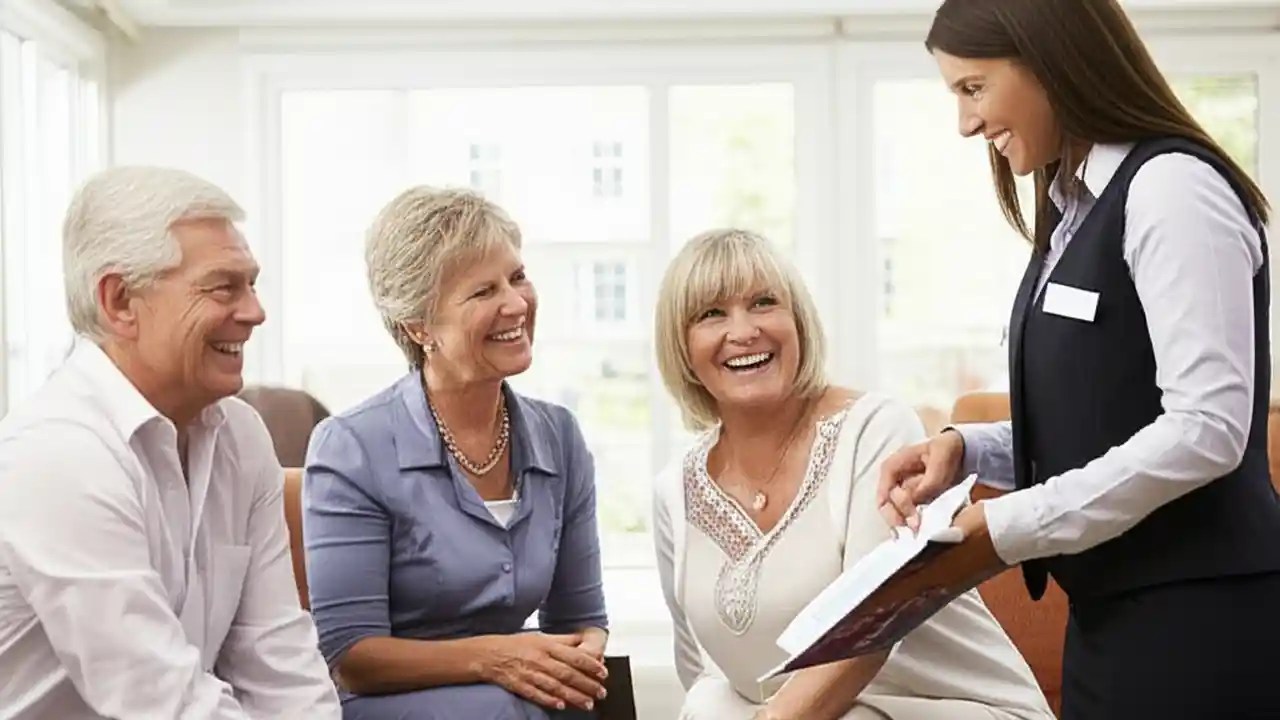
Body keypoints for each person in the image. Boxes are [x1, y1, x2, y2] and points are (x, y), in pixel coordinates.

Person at [878, 1, 1280, 718]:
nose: (965, 123)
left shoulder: (1172, 190)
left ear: (1049, 59)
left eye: (973, 88)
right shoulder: (1074, 206)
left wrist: (1010, 525)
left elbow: (1207, 429)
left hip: (1200, 625)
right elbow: (1104, 416)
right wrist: (969, 450)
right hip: (1111, 620)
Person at [652, 229, 1054, 720]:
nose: (744, 331)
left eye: (763, 303)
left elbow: (867, 635)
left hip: (958, 710)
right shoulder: (674, 492)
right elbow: (700, 669)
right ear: (681, 346)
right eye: (712, 314)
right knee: (708, 702)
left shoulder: (876, 429)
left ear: (798, 321)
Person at [0, 166, 341, 718]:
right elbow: (158, 698)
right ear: (119, 302)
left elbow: (279, 660)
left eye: (252, 284)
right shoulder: (56, 452)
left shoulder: (240, 435)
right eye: (223, 287)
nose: (255, 312)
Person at [303, 187, 610, 719]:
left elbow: (580, 618)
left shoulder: (559, 436)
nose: (516, 304)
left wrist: (580, 652)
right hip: (386, 705)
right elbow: (352, 657)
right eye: (484, 291)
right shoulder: (352, 447)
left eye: (517, 277)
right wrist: (495, 659)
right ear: (419, 325)